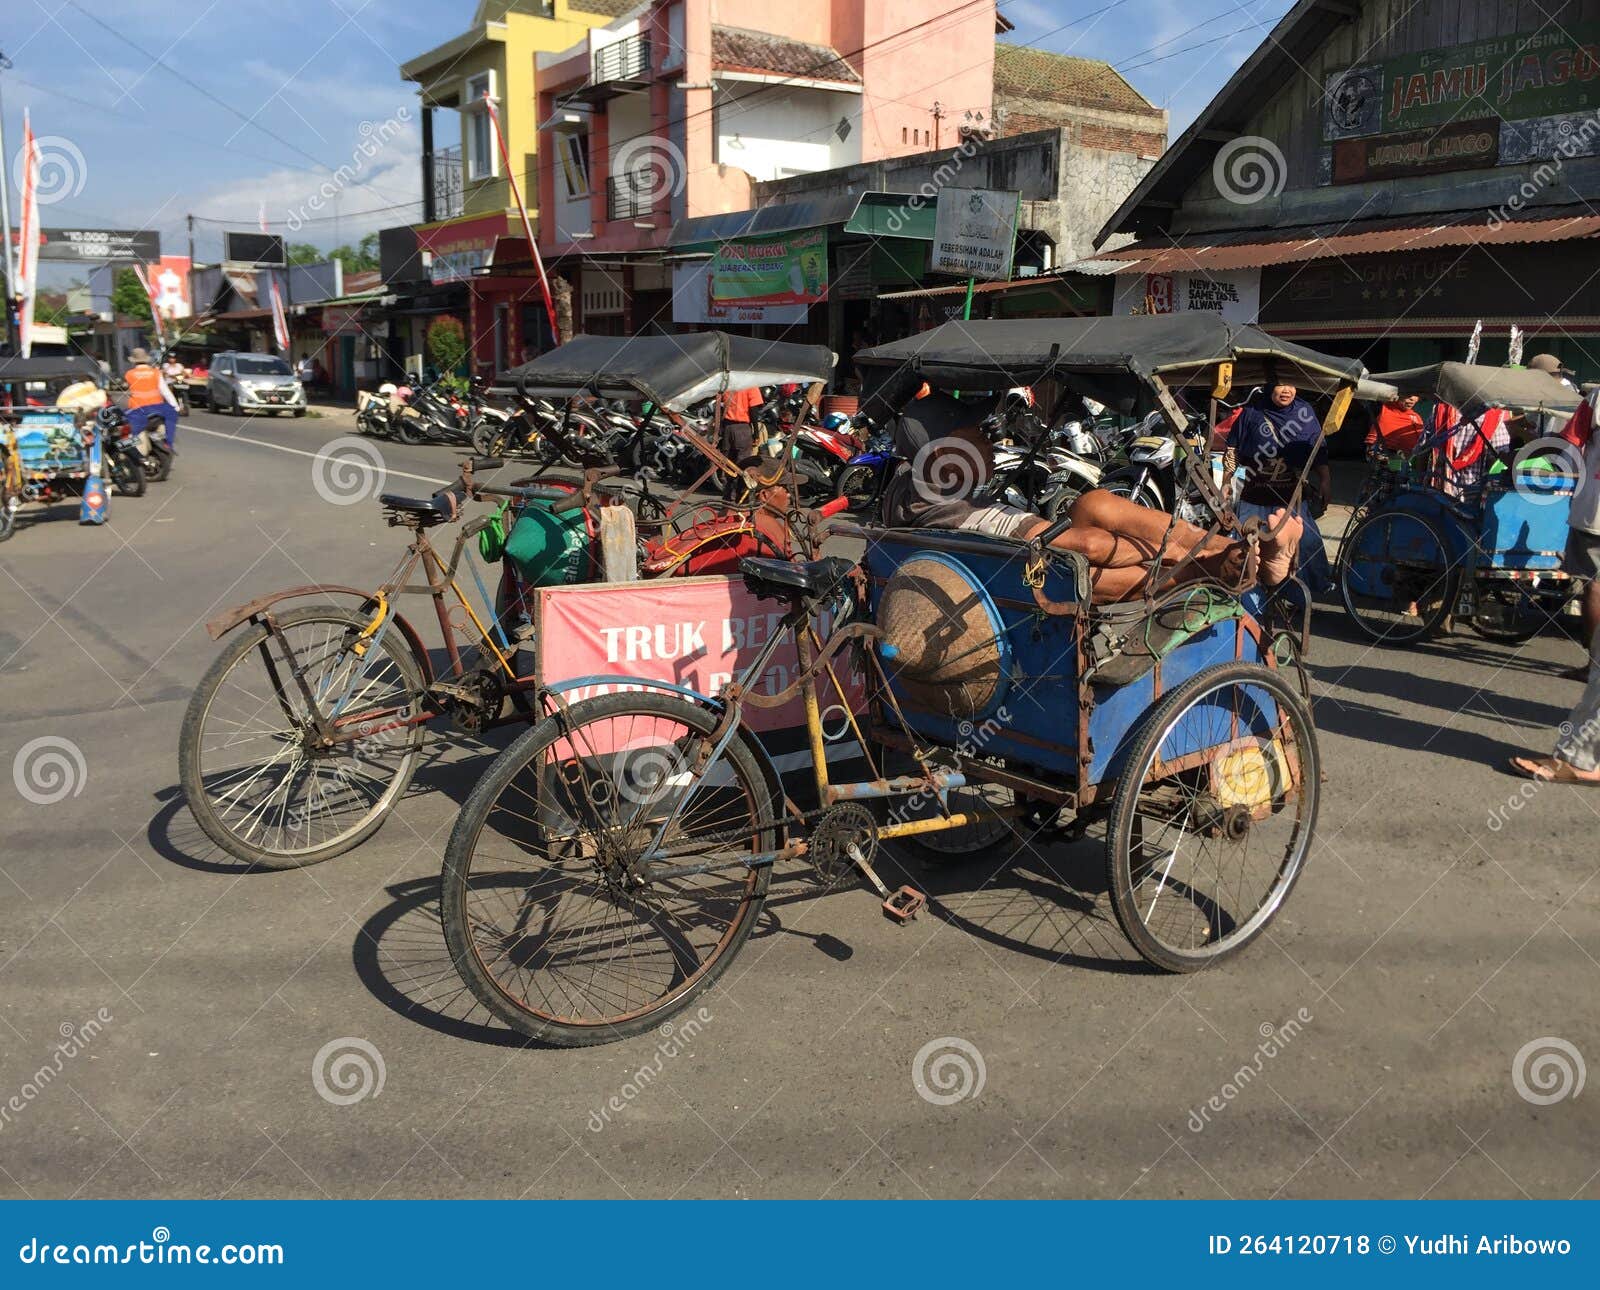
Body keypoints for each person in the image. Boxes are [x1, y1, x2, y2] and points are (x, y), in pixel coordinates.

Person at [883, 393, 1300, 604]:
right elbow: (1083, 544)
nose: (991, 441)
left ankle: (1232, 551)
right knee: (1088, 548)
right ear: (942, 452)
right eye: (977, 435)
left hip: (996, 543)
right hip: (1005, 565)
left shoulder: (922, 481)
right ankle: (1204, 568)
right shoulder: (935, 495)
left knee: (1096, 503)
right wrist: (1171, 553)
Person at [1213, 377, 1332, 595]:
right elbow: (1232, 449)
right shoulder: (1252, 412)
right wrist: (1226, 482)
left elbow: (1318, 450)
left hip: (1291, 498)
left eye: (1291, 384)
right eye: (1280, 385)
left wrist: (1325, 480)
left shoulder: (1304, 412)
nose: (1287, 390)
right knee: (1247, 552)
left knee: (1306, 546)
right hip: (1254, 498)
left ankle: (1299, 598)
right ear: (1269, 387)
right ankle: (1249, 604)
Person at [1552, 383, 1600, 681]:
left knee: (1595, 585)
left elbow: (1571, 440)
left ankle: (1595, 665)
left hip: (1595, 510)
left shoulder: (1596, 397)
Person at [122, 347, 178, 449]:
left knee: (128, 440)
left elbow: (126, 389)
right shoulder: (156, 373)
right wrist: (175, 407)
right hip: (157, 413)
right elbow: (165, 392)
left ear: (134, 361)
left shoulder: (129, 374)